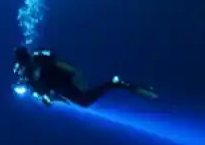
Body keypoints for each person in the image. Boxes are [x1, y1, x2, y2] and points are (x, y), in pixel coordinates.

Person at [13, 46, 158, 107]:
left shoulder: (40, 58)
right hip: (61, 87)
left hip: (66, 82)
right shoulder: (27, 74)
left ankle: (116, 83)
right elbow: (40, 93)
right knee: (85, 102)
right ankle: (115, 84)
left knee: (86, 101)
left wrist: (76, 75)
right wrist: (51, 99)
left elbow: (62, 65)